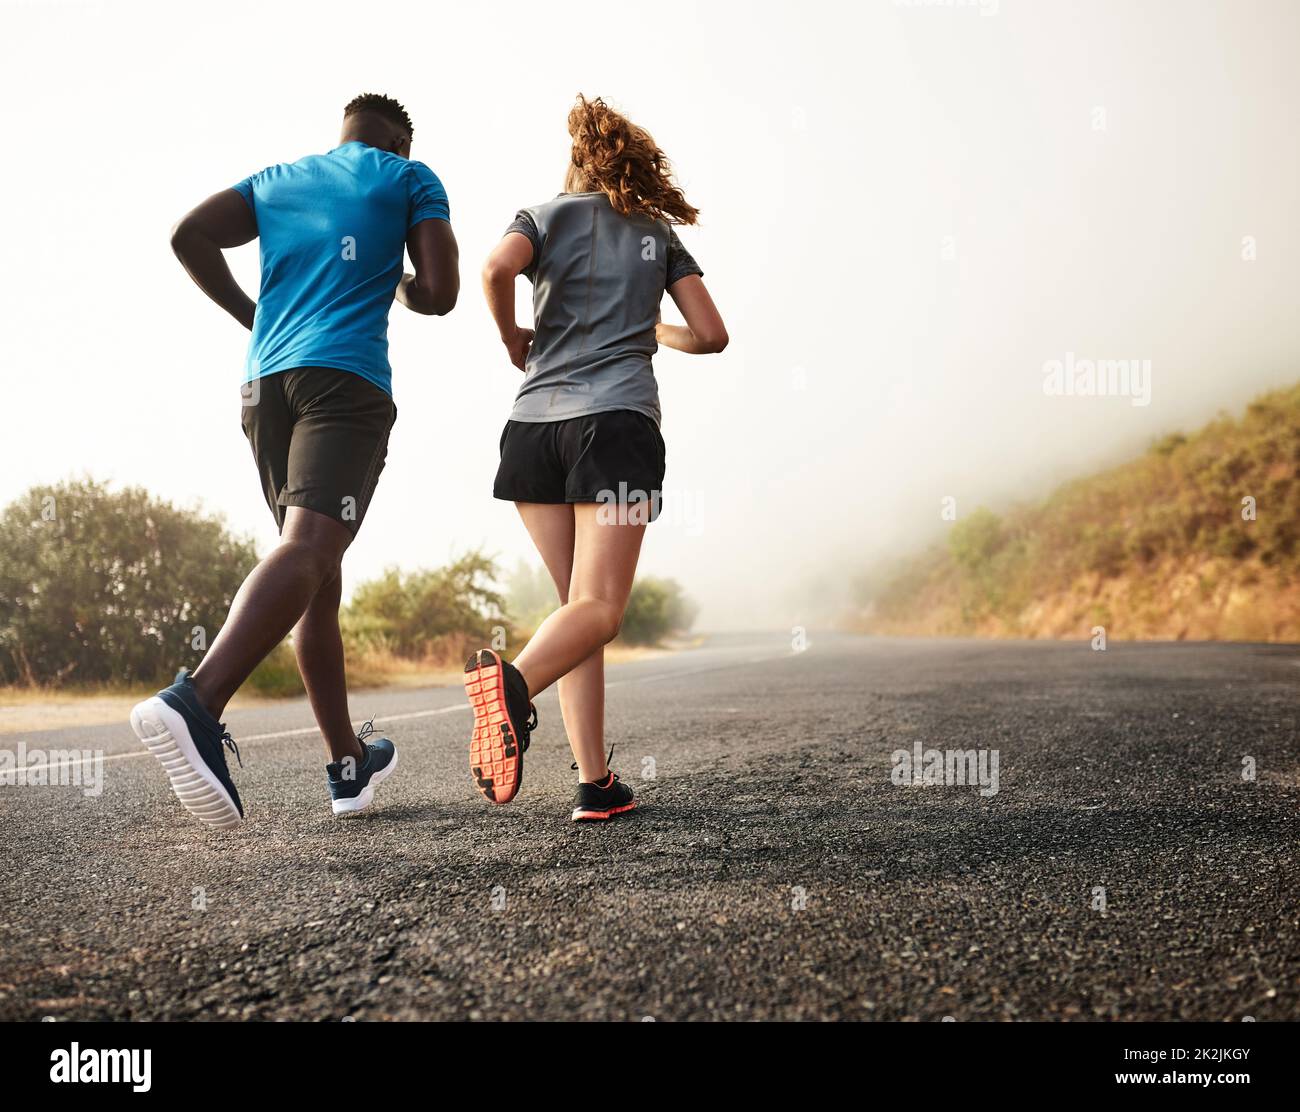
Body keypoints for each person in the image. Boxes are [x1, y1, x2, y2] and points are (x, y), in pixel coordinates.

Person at [130, 93, 459, 828]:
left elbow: (188, 234)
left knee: (315, 572)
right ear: (399, 141)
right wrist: (399, 283)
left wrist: (256, 317)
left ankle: (347, 763)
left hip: (264, 386)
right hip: (345, 381)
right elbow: (440, 294)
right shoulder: (409, 177)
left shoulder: (276, 179)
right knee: (310, 550)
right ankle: (197, 699)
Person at [468, 95, 728, 822]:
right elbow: (711, 334)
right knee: (600, 610)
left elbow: (493, 269)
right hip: (613, 425)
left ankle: (595, 782)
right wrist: (653, 329)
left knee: (576, 609)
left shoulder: (541, 216)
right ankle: (511, 686)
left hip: (531, 429)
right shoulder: (656, 233)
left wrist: (513, 337)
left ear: (573, 162)